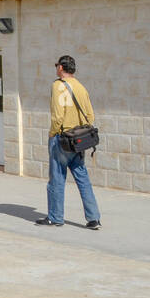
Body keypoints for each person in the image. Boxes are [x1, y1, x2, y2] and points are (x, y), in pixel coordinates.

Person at [37, 55, 101, 229]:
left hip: (62, 137)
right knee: (83, 178)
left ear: (60, 68)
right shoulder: (81, 87)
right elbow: (90, 115)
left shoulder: (58, 86)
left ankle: (55, 217)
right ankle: (93, 218)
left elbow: (57, 116)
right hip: (79, 141)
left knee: (57, 178)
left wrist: (52, 133)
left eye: (57, 65)